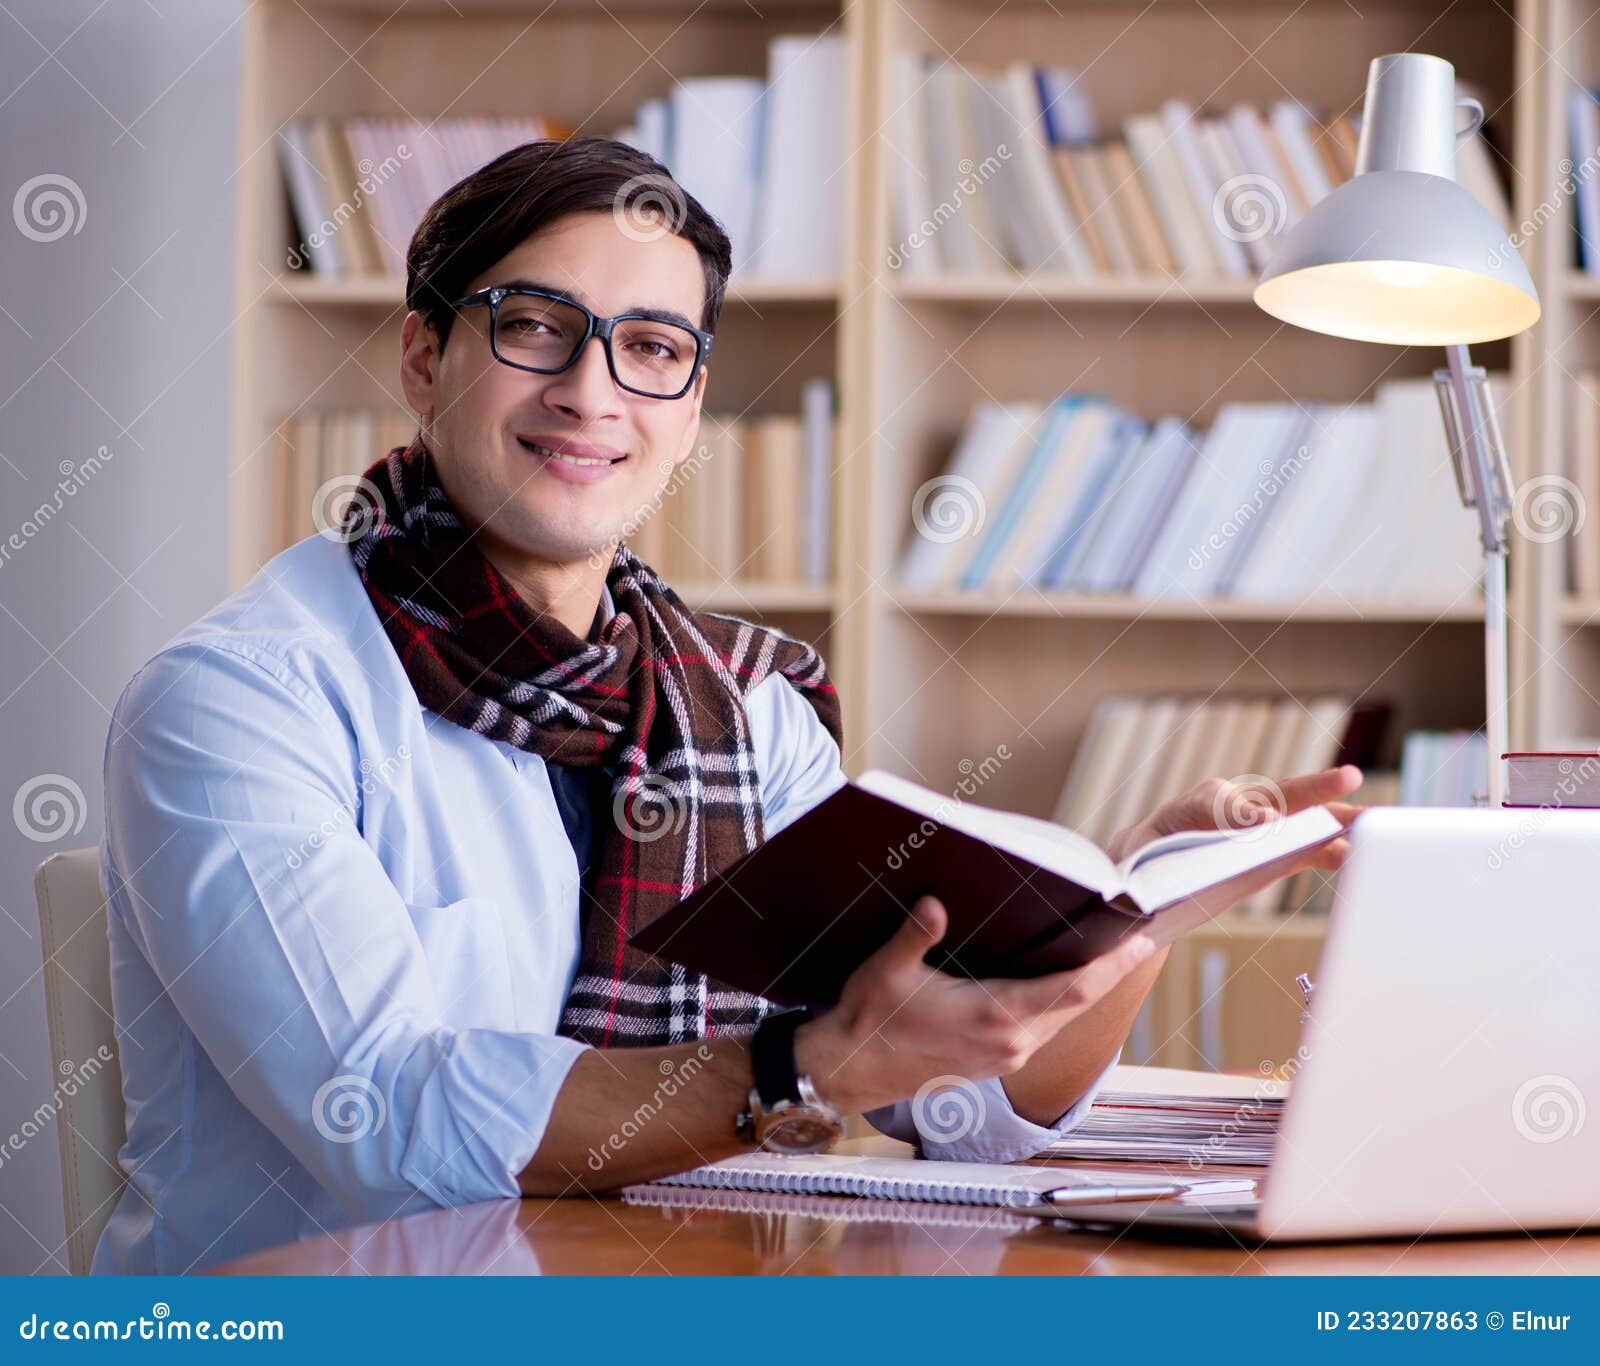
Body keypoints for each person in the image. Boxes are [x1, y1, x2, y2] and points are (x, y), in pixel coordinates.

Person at [94, 136, 1359, 1273]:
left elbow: (960, 1113)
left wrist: (1120, 924)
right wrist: (793, 1067)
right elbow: (390, 1122)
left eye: (650, 349)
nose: (591, 394)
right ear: (426, 358)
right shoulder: (239, 701)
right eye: (534, 326)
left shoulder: (746, 710)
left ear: (690, 410)